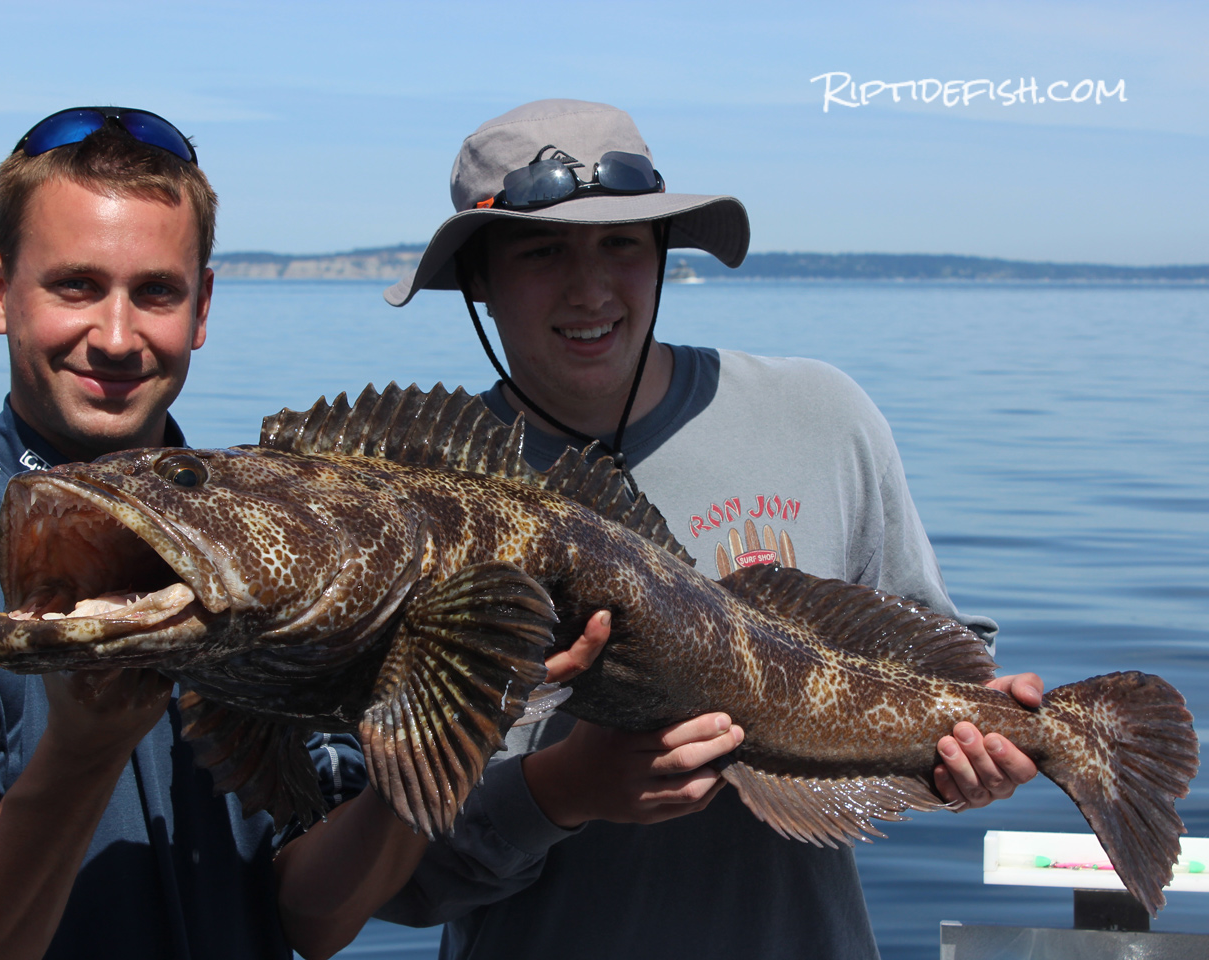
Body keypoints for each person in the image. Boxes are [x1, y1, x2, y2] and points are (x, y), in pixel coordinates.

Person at [378, 99, 1045, 958]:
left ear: (662, 253)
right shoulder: (421, 502)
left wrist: (965, 762)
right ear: (478, 279)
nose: (591, 290)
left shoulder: (822, 417)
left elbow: (939, 671)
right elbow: (384, 882)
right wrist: (554, 794)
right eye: (543, 252)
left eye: (621, 243)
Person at [0, 107, 427, 960]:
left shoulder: (290, 534)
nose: (117, 336)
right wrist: (81, 756)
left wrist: (449, 723)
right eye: (75, 285)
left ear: (201, 310)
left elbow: (315, 918)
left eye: (156, 291)